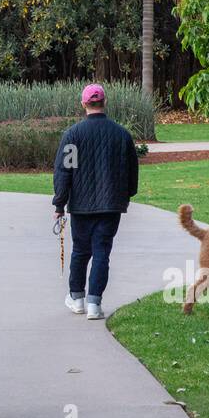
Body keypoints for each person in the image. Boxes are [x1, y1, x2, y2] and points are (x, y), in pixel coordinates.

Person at [52, 84, 139, 320]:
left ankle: (77, 298)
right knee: (102, 252)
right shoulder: (122, 135)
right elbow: (132, 172)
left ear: (83, 104)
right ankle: (94, 304)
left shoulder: (73, 135)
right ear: (105, 102)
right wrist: (126, 195)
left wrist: (59, 204)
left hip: (81, 206)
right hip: (111, 205)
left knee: (80, 251)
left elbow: (64, 171)